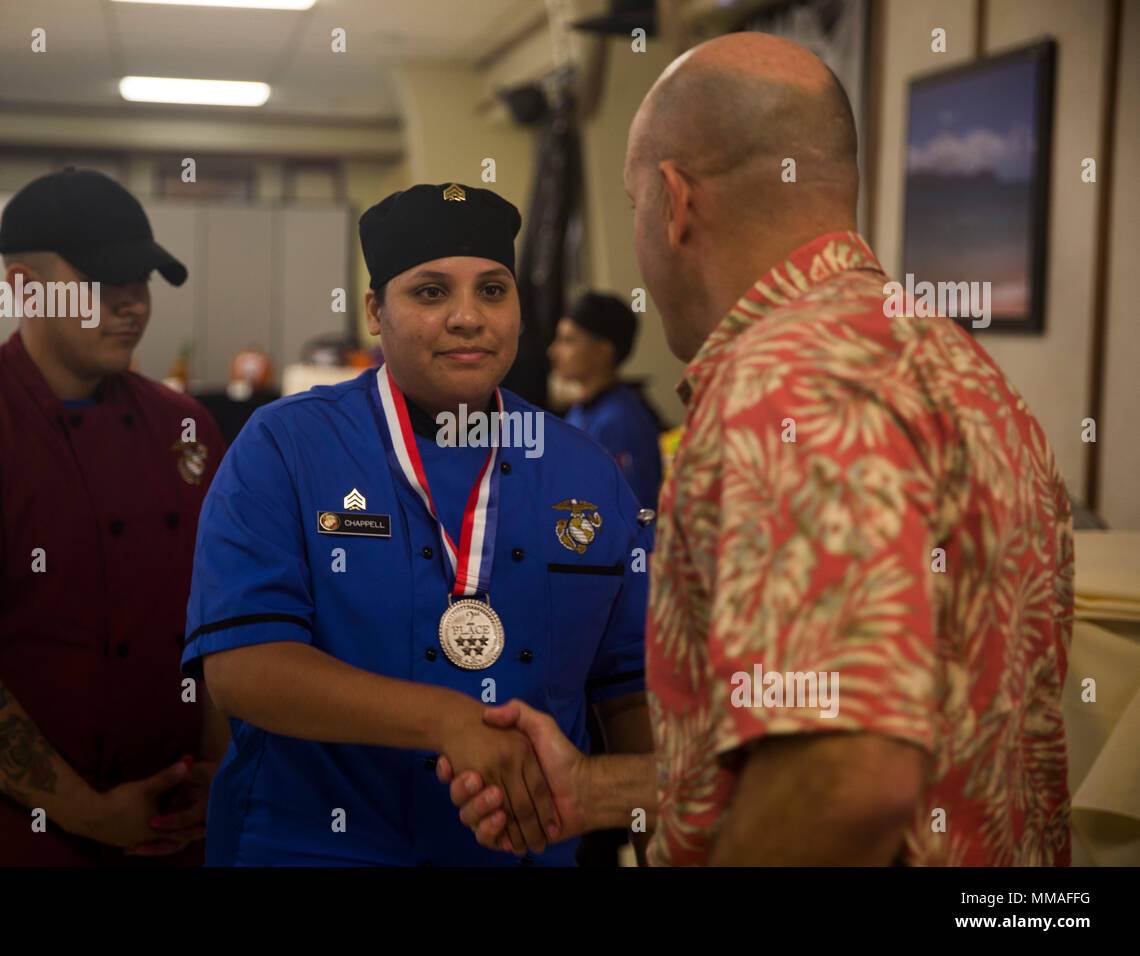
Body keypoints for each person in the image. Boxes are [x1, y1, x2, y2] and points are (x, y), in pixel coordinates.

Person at [440, 32, 1074, 866]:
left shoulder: (784, 383)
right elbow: (891, 743)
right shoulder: (961, 368)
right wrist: (599, 791)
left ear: (675, 202)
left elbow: (846, 780)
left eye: (634, 206)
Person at [183, 182, 653, 866]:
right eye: (430, 293)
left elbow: (629, 686)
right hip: (312, 847)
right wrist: (449, 721)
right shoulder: (286, 447)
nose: (468, 317)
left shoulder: (586, 472)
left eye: (493, 290)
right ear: (375, 310)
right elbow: (243, 669)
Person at [0, 168, 229, 865]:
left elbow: (220, 619)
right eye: (102, 285)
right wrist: (86, 811)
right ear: (24, 286)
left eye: (140, 283)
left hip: (169, 827)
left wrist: (218, 771)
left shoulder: (185, 428)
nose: (132, 307)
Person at [548, 292, 663, 508]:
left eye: (568, 340)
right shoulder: (580, 410)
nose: (554, 351)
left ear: (603, 351)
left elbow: (630, 512)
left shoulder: (620, 423)